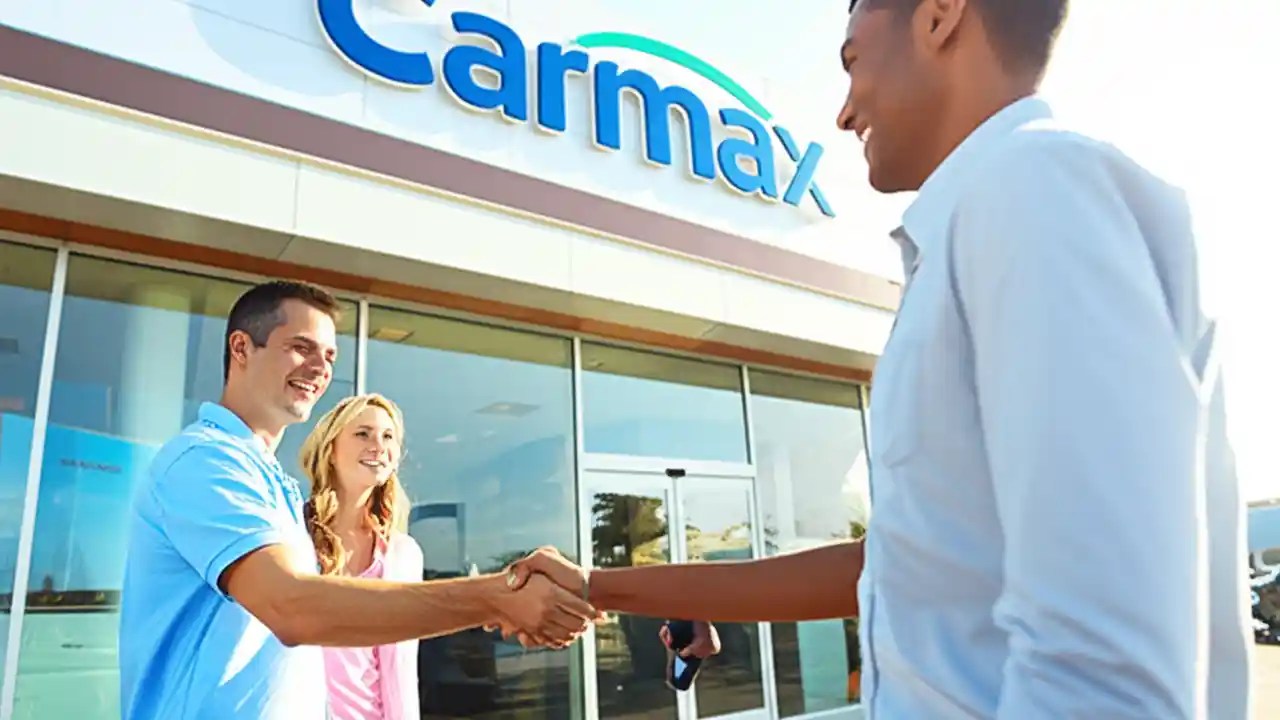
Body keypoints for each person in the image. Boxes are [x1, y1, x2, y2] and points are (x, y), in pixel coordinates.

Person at [504, 1, 1253, 718]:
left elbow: (1107, 665)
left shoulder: (1034, 188)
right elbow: (891, 562)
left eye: (851, 61)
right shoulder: (987, 219)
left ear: (940, 12)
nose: (843, 111)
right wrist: (599, 584)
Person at [118, 280, 596, 720]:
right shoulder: (206, 462)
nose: (320, 368)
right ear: (241, 348)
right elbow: (294, 608)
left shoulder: (271, 483)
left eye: (328, 356)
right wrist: (497, 596)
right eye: (300, 347)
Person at [298, 393, 422, 720]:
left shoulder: (403, 554)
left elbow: (402, 671)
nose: (378, 445)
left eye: (387, 436)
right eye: (362, 433)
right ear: (331, 451)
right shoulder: (291, 534)